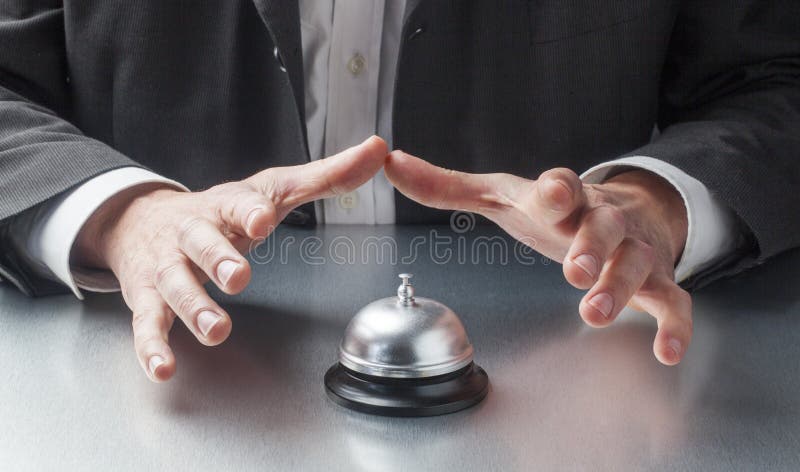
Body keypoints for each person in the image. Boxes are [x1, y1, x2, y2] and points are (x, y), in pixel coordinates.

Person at [1, 1, 798, 381]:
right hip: (150, 392)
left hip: (596, 392)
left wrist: (654, 203)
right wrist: (121, 215)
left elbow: (774, 78)